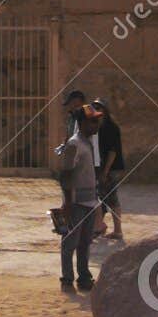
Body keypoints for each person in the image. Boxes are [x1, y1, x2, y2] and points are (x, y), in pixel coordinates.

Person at [56, 103, 100, 292]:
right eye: (93, 121)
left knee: (84, 244)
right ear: (82, 122)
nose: (97, 125)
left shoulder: (86, 142)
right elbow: (65, 174)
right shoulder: (74, 144)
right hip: (77, 203)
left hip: (89, 202)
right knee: (70, 244)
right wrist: (67, 202)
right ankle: (67, 279)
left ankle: (84, 278)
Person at [92, 98, 125, 240]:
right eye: (95, 108)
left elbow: (113, 151)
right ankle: (99, 226)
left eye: (100, 108)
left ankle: (117, 230)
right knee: (102, 197)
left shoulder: (111, 127)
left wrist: (105, 171)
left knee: (111, 198)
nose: (97, 111)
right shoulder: (97, 127)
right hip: (103, 168)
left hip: (111, 168)